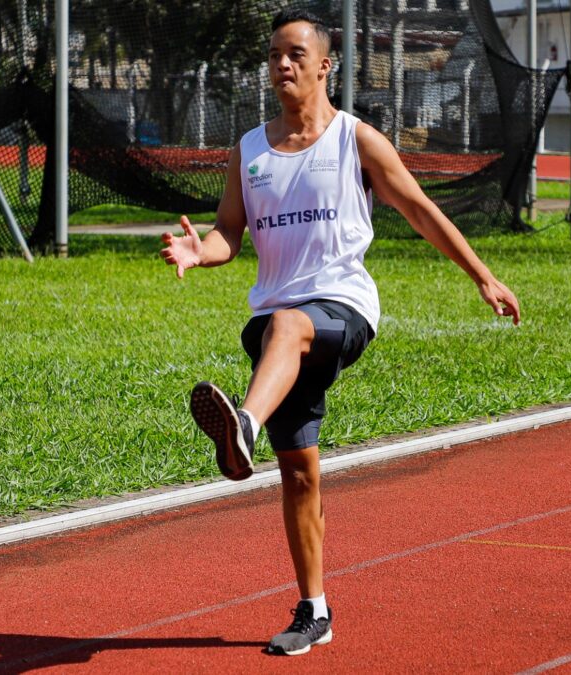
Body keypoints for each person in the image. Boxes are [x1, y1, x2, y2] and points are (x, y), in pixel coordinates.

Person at [159, 9, 521, 657]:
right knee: (299, 471)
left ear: (326, 65)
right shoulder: (250, 150)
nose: (282, 65)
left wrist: (483, 276)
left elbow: (420, 208)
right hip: (272, 328)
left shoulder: (356, 139)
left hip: (341, 309)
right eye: (273, 55)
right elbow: (228, 234)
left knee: (294, 325)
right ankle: (314, 610)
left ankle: (242, 424)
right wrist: (197, 254)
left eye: (295, 54)